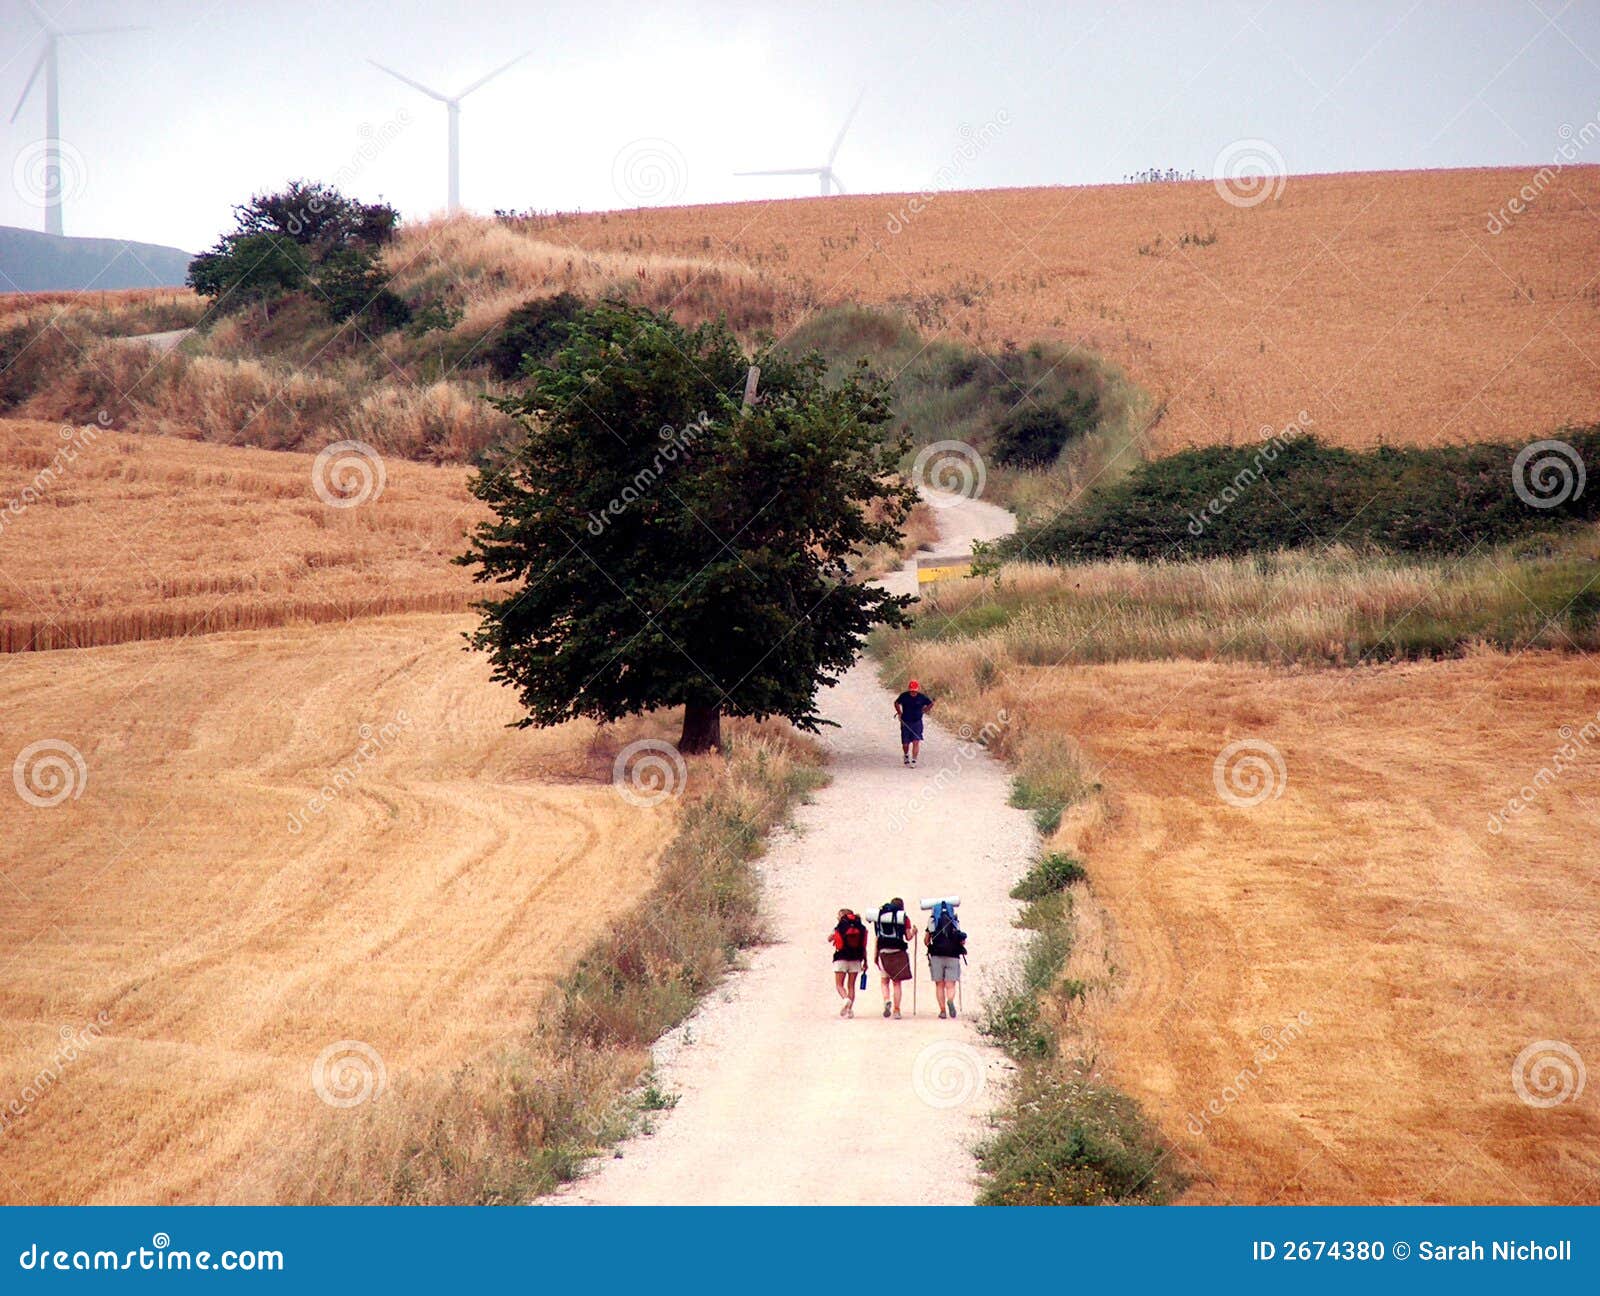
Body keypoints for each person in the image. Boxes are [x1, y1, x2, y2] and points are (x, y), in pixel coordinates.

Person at [872, 898, 916, 1019]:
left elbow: (877, 937)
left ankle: (886, 1000)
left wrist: (875, 956)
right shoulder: (904, 918)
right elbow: (908, 937)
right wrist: (914, 931)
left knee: (884, 981)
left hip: (883, 952)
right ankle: (896, 1010)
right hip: (898, 952)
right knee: (897, 983)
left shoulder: (881, 917)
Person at [924, 900, 966, 1019]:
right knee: (950, 985)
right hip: (953, 956)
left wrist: (931, 945)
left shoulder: (932, 921)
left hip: (936, 955)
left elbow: (926, 941)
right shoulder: (954, 921)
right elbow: (961, 940)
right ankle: (950, 1000)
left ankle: (942, 1011)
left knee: (939, 985)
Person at [829, 908, 869, 1017]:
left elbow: (829, 939)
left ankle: (845, 999)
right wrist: (865, 962)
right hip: (856, 959)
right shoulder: (861, 928)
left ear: (842, 916)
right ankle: (849, 1010)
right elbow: (864, 946)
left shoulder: (839, 927)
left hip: (841, 958)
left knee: (839, 985)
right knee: (851, 986)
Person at [894, 679, 935, 767]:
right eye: (911, 691)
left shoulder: (921, 697)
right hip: (906, 722)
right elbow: (896, 703)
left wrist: (925, 710)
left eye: (914, 691)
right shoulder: (904, 696)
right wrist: (899, 712)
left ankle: (914, 760)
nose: (913, 692)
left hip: (917, 722)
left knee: (916, 741)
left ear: (917, 690)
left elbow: (931, 703)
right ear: (909, 689)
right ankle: (906, 755)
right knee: (905, 743)